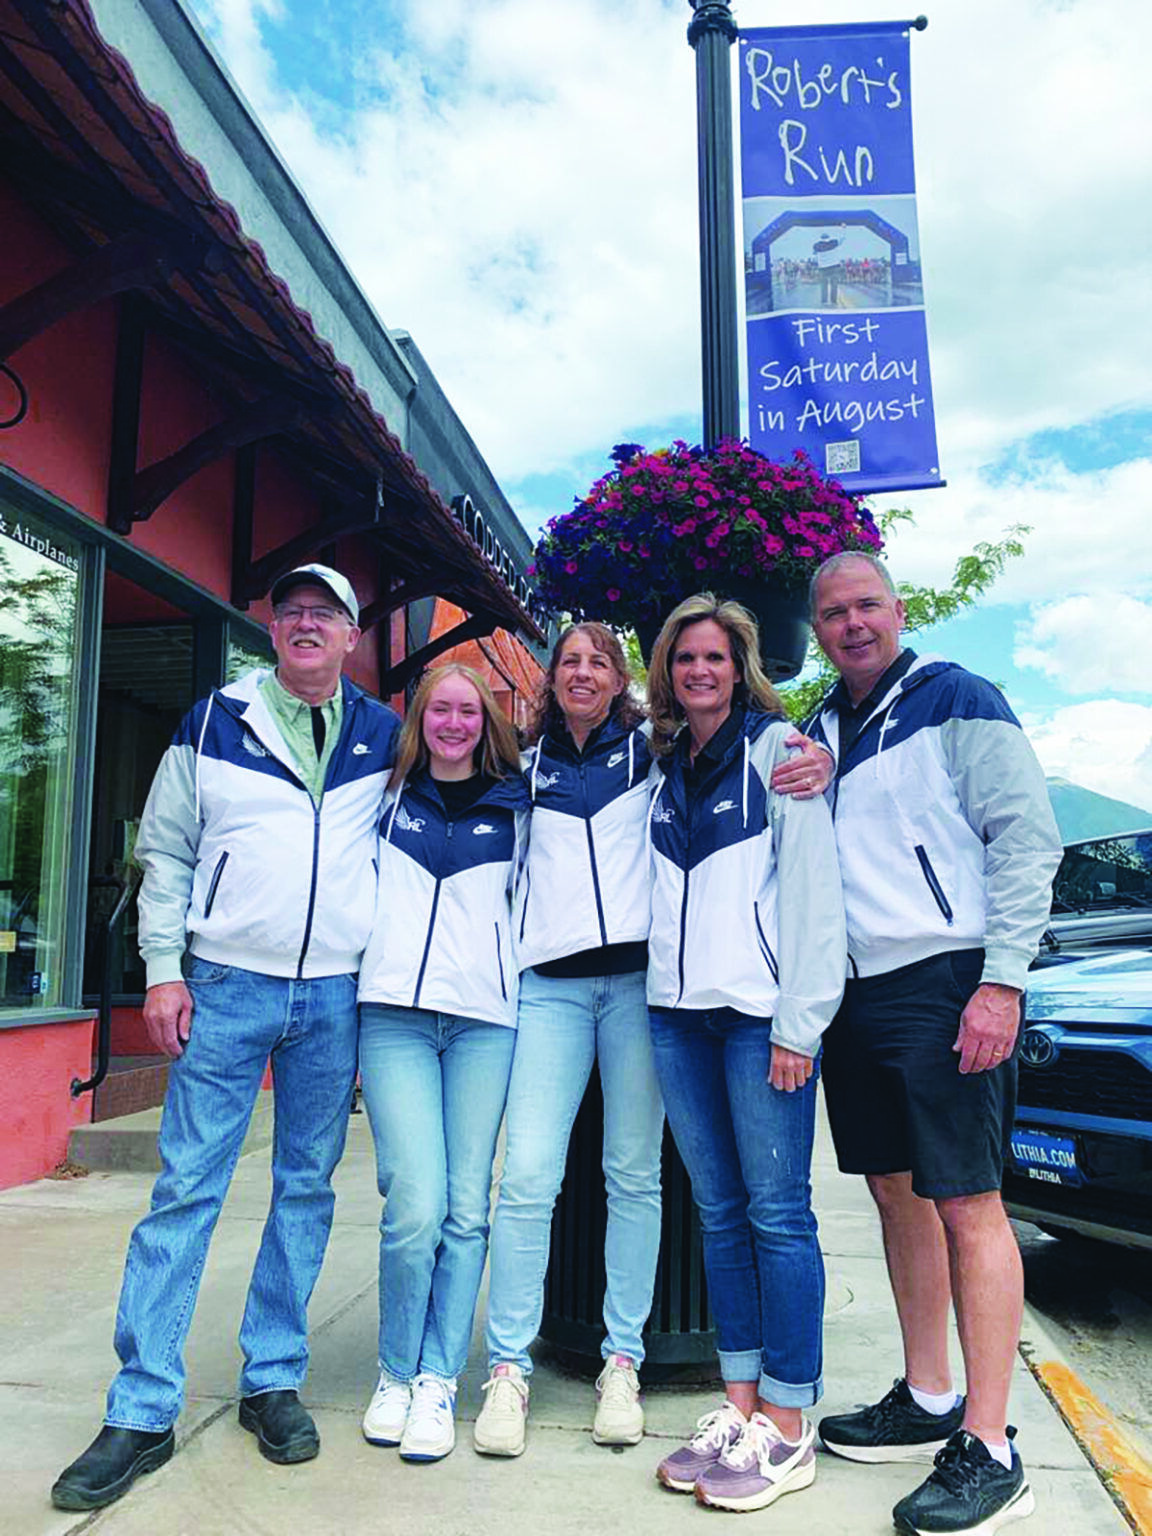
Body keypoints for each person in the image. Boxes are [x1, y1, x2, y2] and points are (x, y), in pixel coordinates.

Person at [51, 564, 400, 1512]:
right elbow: (164, 849)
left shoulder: (384, 735)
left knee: (304, 1192)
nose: (305, 625)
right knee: (186, 1190)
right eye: (290, 612)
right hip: (226, 984)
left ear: (353, 635)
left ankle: (273, 1378)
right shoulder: (214, 722)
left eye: (324, 613)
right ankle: (143, 1407)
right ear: (274, 631)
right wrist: (163, 969)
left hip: (335, 993)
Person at [805, 552, 1062, 1536]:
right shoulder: (823, 727)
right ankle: (928, 1393)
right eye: (834, 612)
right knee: (895, 1192)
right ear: (819, 628)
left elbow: (1026, 837)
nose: (852, 623)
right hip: (857, 994)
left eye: (867, 604)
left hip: (951, 980)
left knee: (968, 1201)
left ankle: (992, 1448)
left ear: (897, 610)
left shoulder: (958, 696)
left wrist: (1001, 983)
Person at [644, 593, 846, 1514]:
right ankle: (739, 1404)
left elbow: (812, 896)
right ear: (668, 670)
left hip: (759, 1018)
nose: (699, 671)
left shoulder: (780, 756)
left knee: (777, 1216)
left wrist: (800, 1022)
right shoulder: (662, 762)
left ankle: (791, 1421)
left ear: (741, 665)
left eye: (715, 658)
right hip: (677, 1018)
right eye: (685, 658)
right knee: (720, 1214)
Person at [356, 664, 528, 1463]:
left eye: (469, 710)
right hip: (393, 1018)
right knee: (415, 1204)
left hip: (484, 1026)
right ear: (419, 718)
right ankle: (395, 1369)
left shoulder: (519, 804)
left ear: (485, 722)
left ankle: (437, 1379)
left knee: (467, 1209)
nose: (454, 722)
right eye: (440, 710)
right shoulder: (379, 798)